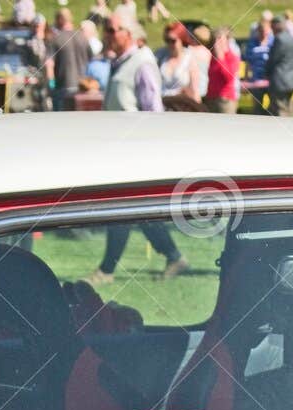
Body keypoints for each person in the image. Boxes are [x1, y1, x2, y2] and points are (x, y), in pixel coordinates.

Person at [93, 8, 185, 282]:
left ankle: (107, 270)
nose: (106, 35)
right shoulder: (121, 61)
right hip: (120, 150)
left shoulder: (142, 63)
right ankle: (174, 257)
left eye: (111, 30)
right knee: (138, 213)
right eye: (105, 30)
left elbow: (153, 111)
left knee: (120, 210)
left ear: (128, 34)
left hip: (134, 152)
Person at [265, 14, 293, 115]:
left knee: (280, 111)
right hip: (291, 80)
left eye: (272, 26)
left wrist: (266, 72)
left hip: (280, 82)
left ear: (276, 26)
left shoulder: (279, 39)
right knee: (289, 109)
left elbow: (273, 59)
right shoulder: (290, 37)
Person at [204, 23, 239, 111]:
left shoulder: (232, 57)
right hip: (211, 98)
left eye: (219, 38)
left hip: (225, 101)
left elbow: (229, 78)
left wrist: (221, 59)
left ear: (227, 40)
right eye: (215, 38)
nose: (216, 41)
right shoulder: (213, 57)